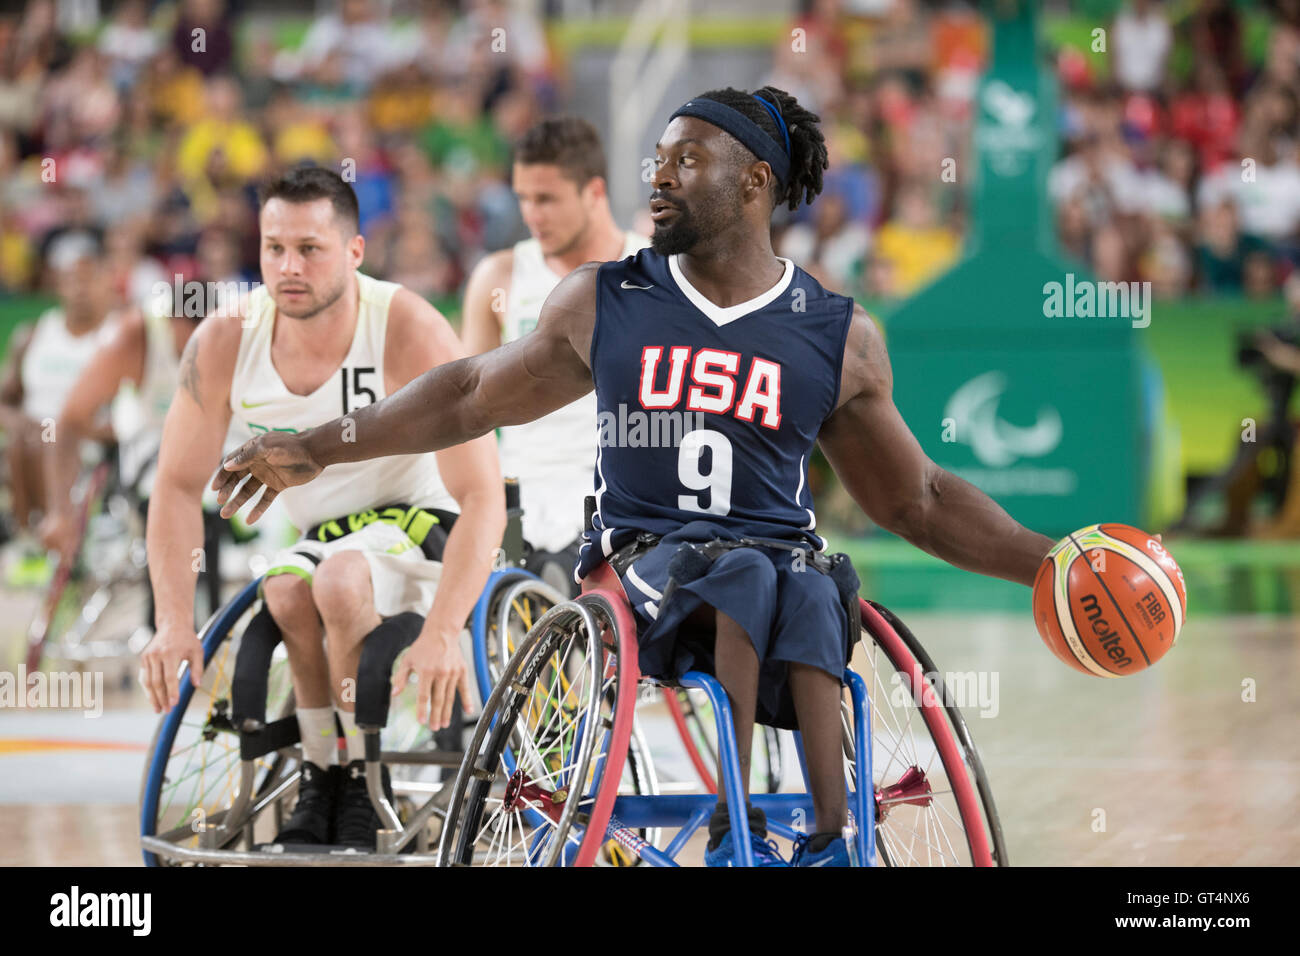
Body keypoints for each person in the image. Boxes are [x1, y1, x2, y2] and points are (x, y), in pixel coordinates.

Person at [213, 88, 1055, 867]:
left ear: (756, 181)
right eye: (657, 158)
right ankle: (734, 831)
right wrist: (318, 445)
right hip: (640, 573)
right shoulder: (607, 299)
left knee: (809, 580)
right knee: (750, 571)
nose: (658, 176)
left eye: (686, 159)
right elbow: (472, 393)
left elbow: (920, 499)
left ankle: (832, 841)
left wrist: (1053, 564)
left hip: (775, 572)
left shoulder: (835, 333)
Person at [139, 167, 505, 850]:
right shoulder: (225, 339)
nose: (288, 266)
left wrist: (447, 629)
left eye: (310, 248)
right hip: (328, 540)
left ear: (356, 252)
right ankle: (324, 770)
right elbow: (175, 486)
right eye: (273, 248)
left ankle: (367, 780)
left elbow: (484, 495)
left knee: (337, 578)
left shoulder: (406, 326)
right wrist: (171, 621)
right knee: (283, 584)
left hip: (423, 531)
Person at [461, 116, 647, 594]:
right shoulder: (499, 277)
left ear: (594, 192)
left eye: (546, 199)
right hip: (519, 493)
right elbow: (465, 412)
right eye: (522, 198)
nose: (531, 215)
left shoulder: (653, 273)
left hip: (614, 490)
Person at [0, 232, 118, 583]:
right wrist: (18, 421)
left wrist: (71, 427)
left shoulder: (118, 336)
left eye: (87, 278)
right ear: (57, 285)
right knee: (29, 439)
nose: (79, 289)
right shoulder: (34, 333)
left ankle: (49, 541)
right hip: (33, 437)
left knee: (51, 439)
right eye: (70, 280)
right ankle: (33, 541)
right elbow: (4, 400)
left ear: (104, 279)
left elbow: (131, 413)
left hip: (93, 440)